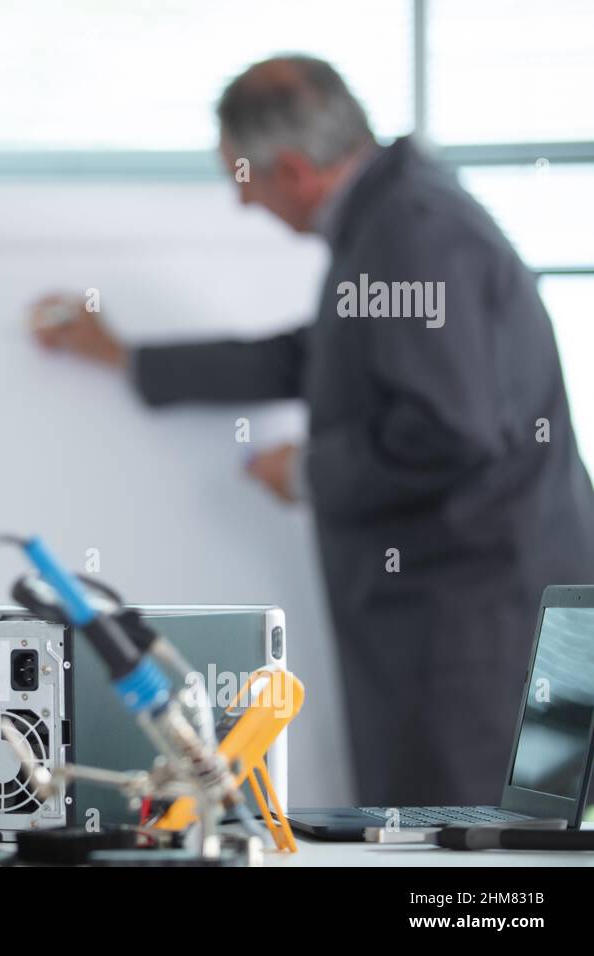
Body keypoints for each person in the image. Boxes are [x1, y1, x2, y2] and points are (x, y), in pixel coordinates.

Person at [33, 55, 594, 806]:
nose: (240, 201)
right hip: (471, 618)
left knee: (469, 856)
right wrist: (127, 358)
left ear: (293, 168)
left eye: (242, 178)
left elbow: (452, 429)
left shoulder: (411, 232)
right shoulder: (397, 216)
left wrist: (307, 471)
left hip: (475, 633)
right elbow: (317, 355)